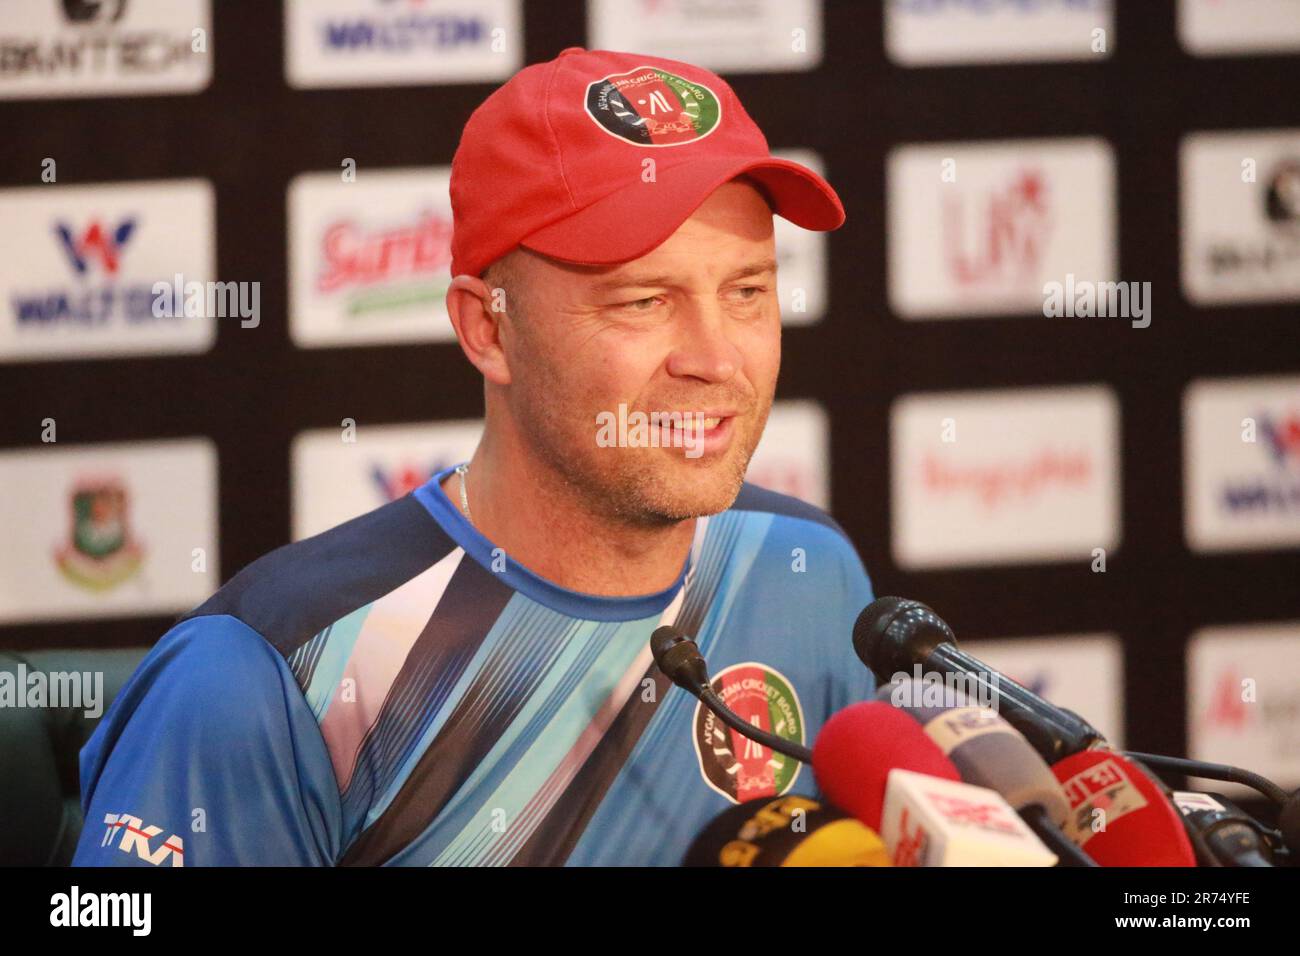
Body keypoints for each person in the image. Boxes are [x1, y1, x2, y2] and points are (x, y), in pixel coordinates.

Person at [73, 47, 874, 867]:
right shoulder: (261, 679)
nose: (717, 359)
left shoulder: (808, 570)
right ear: (488, 329)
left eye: (748, 292)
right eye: (644, 301)